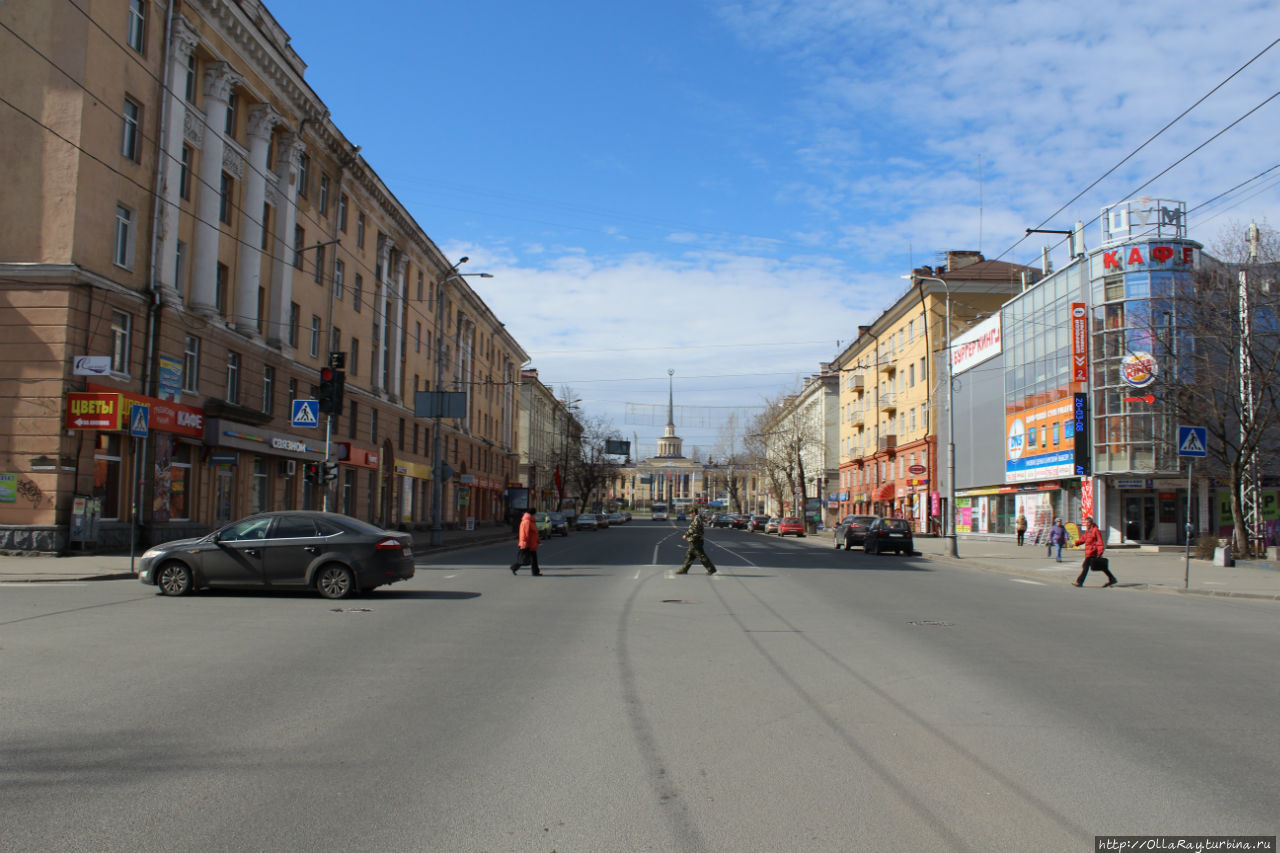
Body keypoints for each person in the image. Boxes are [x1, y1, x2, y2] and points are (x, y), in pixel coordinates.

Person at [1072, 516, 1116, 587]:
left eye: (1087, 523)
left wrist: (1100, 552)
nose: (1086, 524)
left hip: (1093, 552)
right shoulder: (1088, 531)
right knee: (1101, 567)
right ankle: (1112, 578)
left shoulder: (1095, 530)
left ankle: (1079, 582)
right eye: (1085, 523)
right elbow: (1083, 539)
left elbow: (1100, 541)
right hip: (1089, 552)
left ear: (1091, 523)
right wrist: (1076, 543)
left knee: (1085, 567)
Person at [676, 510, 716, 575]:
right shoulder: (696, 518)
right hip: (695, 540)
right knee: (689, 556)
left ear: (694, 513)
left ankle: (711, 569)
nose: (689, 515)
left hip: (696, 540)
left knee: (701, 556)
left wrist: (686, 535)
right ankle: (684, 569)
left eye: (690, 513)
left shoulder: (697, 519)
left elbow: (694, 529)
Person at [510, 511, 541, 576]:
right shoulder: (527, 522)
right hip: (527, 544)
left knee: (534, 559)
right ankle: (514, 567)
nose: (535, 516)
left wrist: (538, 541)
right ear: (532, 514)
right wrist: (525, 543)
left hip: (532, 544)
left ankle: (536, 572)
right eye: (535, 514)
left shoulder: (532, 521)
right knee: (523, 559)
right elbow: (525, 534)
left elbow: (535, 533)